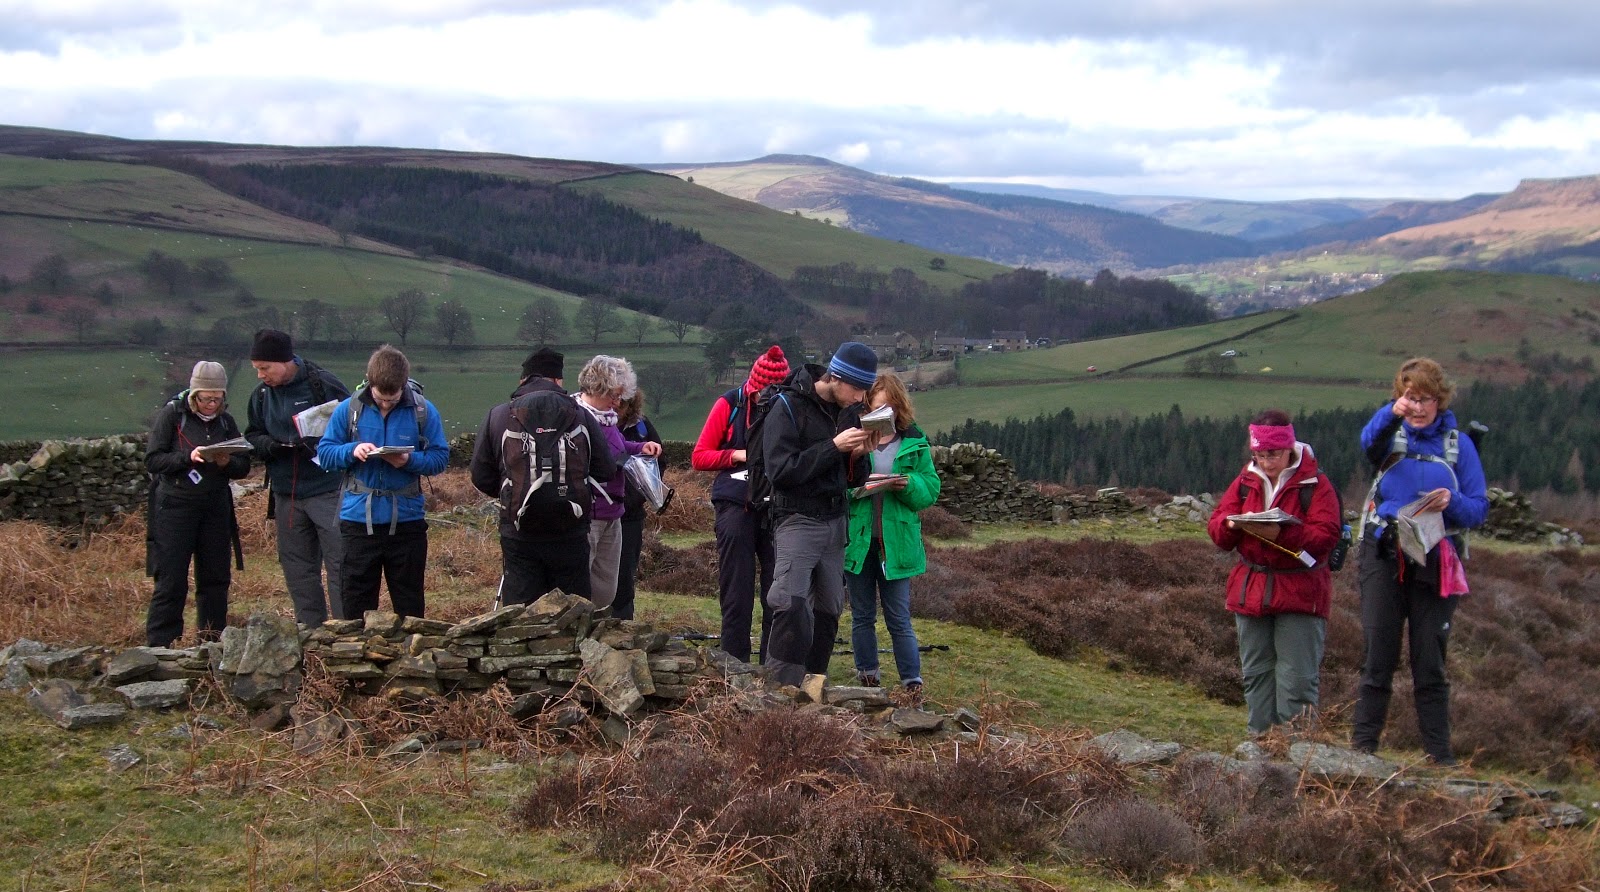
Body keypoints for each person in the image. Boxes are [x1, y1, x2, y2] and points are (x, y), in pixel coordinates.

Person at [1351, 357, 1489, 765]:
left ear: (1441, 401)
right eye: (1411, 397)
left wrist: (1453, 502)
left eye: (1427, 399)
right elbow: (1366, 444)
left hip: (1436, 558)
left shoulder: (1459, 446)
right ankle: (1362, 750)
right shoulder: (1388, 436)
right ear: (1399, 398)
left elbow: (1479, 509)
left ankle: (1439, 757)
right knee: (1379, 655)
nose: (1419, 407)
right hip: (1383, 552)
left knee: (1429, 659)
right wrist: (1390, 413)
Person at [1206, 409, 1341, 736]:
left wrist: (1281, 532)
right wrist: (1230, 525)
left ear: (1289, 448)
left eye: (1274, 454)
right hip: (1251, 590)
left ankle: (1297, 757)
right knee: (1256, 675)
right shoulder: (1243, 482)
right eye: (1260, 454)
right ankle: (1260, 751)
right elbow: (1218, 529)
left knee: (1296, 680)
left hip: (1299, 593)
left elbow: (1327, 534)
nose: (1267, 461)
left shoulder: (1315, 484)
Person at [762, 341, 878, 688]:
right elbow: (780, 472)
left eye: (865, 390)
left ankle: (813, 691)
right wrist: (833, 447)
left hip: (835, 523)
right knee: (791, 608)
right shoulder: (787, 407)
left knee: (829, 613)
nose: (860, 398)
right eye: (857, 388)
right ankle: (780, 695)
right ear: (836, 377)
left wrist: (860, 456)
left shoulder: (849, 412)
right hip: (797, 520)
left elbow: (853, 479)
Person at [470, 348, 617, 606]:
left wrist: (514, 492)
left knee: (521, 614)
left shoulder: (499, 415)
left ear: (523, 379)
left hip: (519, 532)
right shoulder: (580, 415)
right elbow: (606, 469)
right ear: (558, 380)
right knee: (571, 615)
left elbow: (480, 475)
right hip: (570, 530)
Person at [316, 344, 449, 619]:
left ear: (404, 386)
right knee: (355, 606)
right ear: (369, 382)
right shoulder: (348, 409)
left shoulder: (424, 411)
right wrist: (351, 451)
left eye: (393, 398)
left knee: (410, 606)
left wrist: (408, 461)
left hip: (407, 522)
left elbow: (439, 459)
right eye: (380, 398)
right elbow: (325, 454)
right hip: (356, 522)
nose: (386, 403)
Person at [244, 328, 351, 628]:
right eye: (256, 369)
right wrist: (271, 447)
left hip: (328, 490)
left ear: (285, 360)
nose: (260, 375)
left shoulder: (323, 384)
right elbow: (252, 433)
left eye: (265, 368)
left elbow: (356, 422)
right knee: (297, 568)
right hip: (285, 495)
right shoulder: (262, 396)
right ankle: (310, 633)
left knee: (340, 563)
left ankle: (346, 633)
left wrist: (322, 444)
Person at [844, 371, 941, 696]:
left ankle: (912, 683)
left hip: (896, 545)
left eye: (889, 407)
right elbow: (833, 486)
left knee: (899, 618)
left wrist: (907, 484)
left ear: (899, 407)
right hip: (858, 540)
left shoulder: (915, 442)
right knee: (862, 615)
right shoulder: (853, 439)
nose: (883, 414)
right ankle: (868, 678)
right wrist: (855, 484)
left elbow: (930, 490)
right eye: (876, 407)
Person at [691, 345, 790, 662]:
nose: (763, 397)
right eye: (759, 392)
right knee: (736, 589)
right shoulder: (730, 404)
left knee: (778, 589)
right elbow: (700, 456)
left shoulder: (790, 408)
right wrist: (737, 455)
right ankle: (733, 665)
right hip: (734, 504)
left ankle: (773, 666)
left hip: (777, 506)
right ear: (752, 384)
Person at [144, 361, 251, 647]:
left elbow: (243, 466)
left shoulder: (226, 422)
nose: (211, 404)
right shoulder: (172, 416)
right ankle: (161, 645)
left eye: (217, 399)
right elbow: (153, 459)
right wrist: (186, 457)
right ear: (194, 395)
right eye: (205, 398)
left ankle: (212, 641)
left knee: (216, 578)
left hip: (215, 506)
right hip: (175, 506)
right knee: (171, 578)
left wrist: (227, 461)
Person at [575, 355, 662, 611]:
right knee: (582, 586)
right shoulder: (577, 418)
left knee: (606, 588)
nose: (617, 402)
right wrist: (623, 460)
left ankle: (597, 632)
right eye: (613, 395)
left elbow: (618, 447)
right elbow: (599, 460)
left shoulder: (607, 418)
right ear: (598, 388)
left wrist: (640, 447)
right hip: (589, 514)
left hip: (613, 511)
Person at [616, 388, 664, 621]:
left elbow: (659, 462)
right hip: (597, 513)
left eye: (622, 404)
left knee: (625, 577)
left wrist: (639, 495)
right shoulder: (593, 422)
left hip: (630, 514)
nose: (616, 408)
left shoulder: (642, 427)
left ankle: (623, 628)